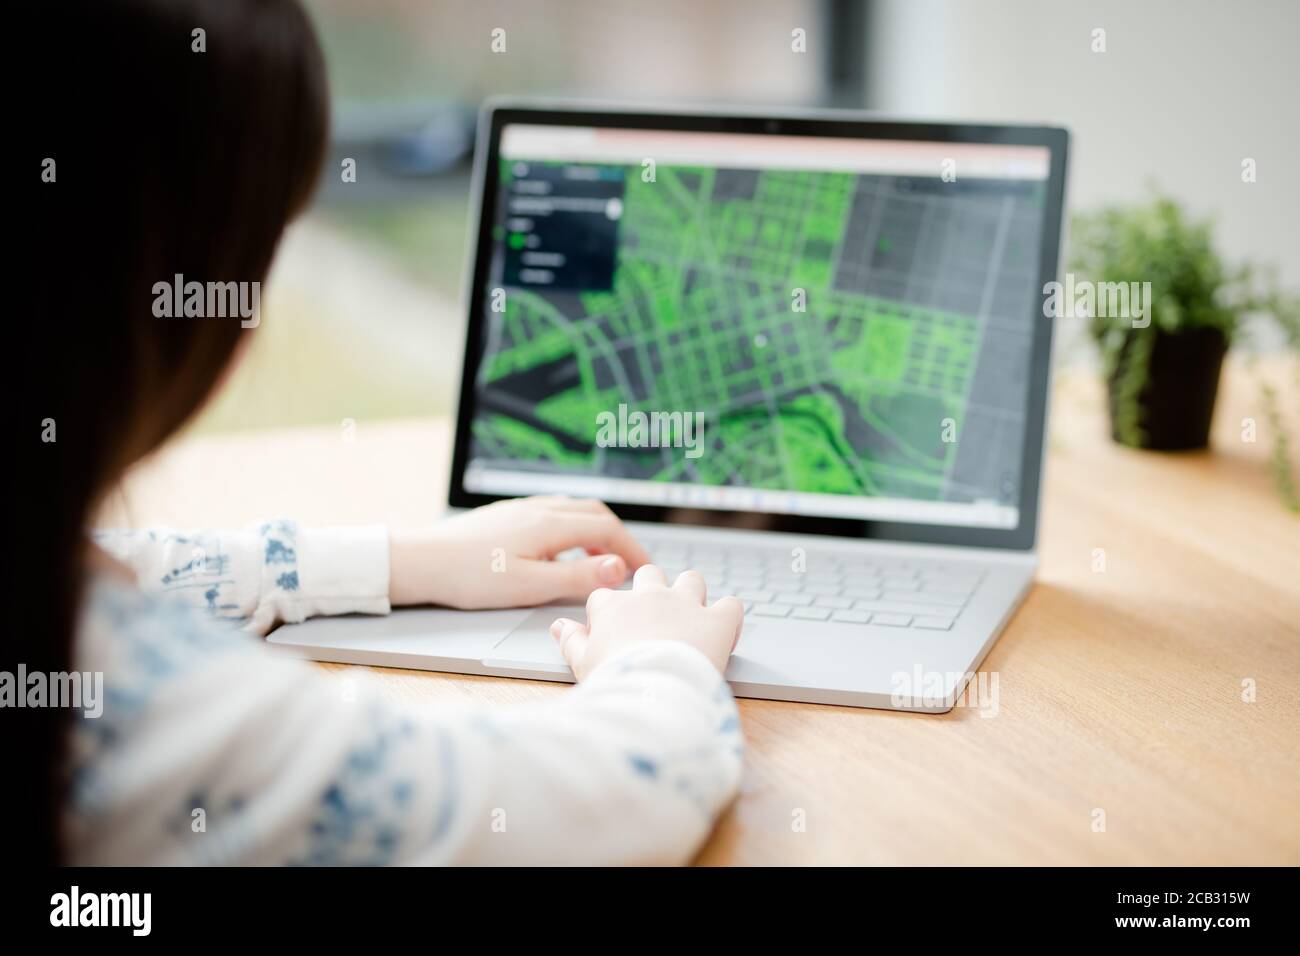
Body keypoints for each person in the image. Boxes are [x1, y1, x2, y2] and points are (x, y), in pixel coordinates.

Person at [17, 0, 743, 865]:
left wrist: (406, 562)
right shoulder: (168, 722)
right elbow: (596, 803)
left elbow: (124, 563)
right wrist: (661, 663)